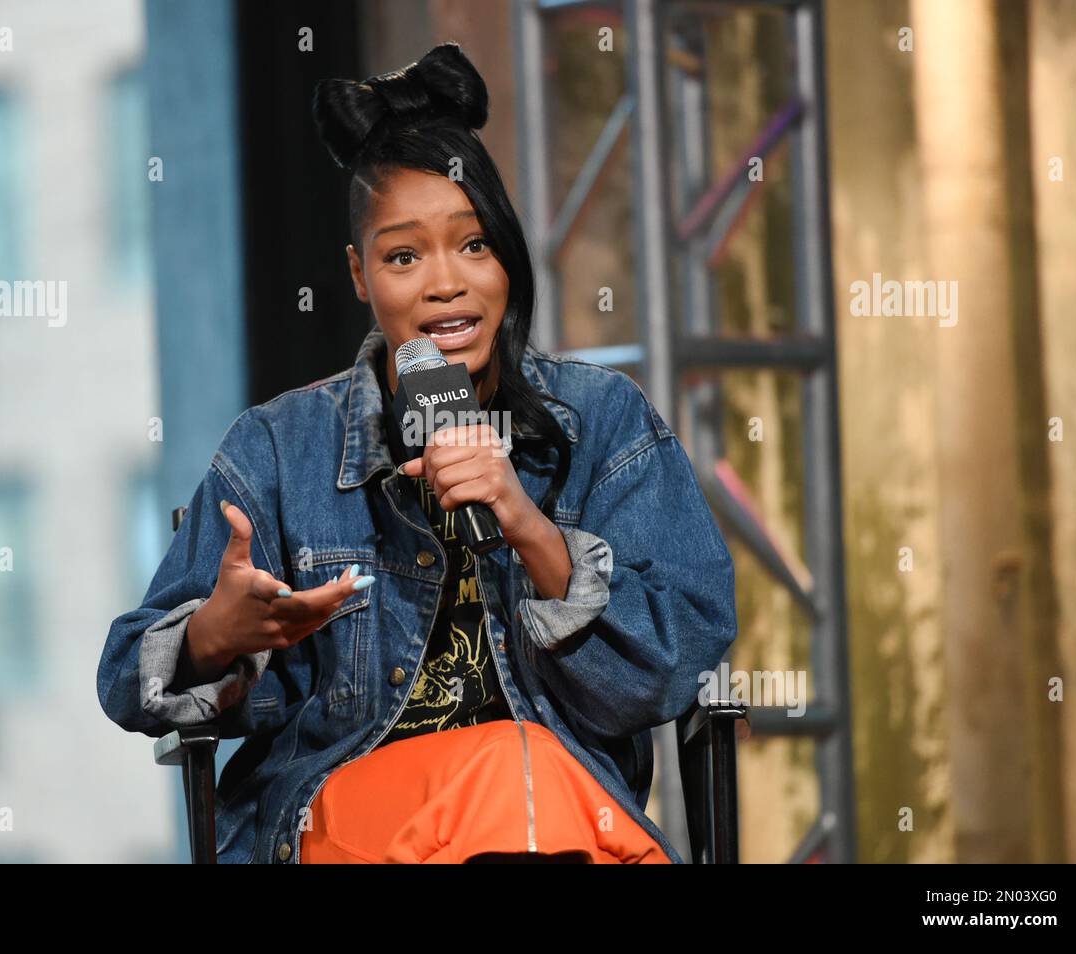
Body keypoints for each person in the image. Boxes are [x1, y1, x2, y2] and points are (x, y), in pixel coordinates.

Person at [97, 41, 737, 864]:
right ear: (360, 275)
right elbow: (126, 676)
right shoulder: (280, 449)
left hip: (559, 823)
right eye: (404, 256)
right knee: (515, 765)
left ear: (508, 252)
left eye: (473, 245)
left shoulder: (602, 422)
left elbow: (679, 656)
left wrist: (530, 530)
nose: (446, 283)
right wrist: (214, 635)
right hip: (351, 826)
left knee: (527, 774)